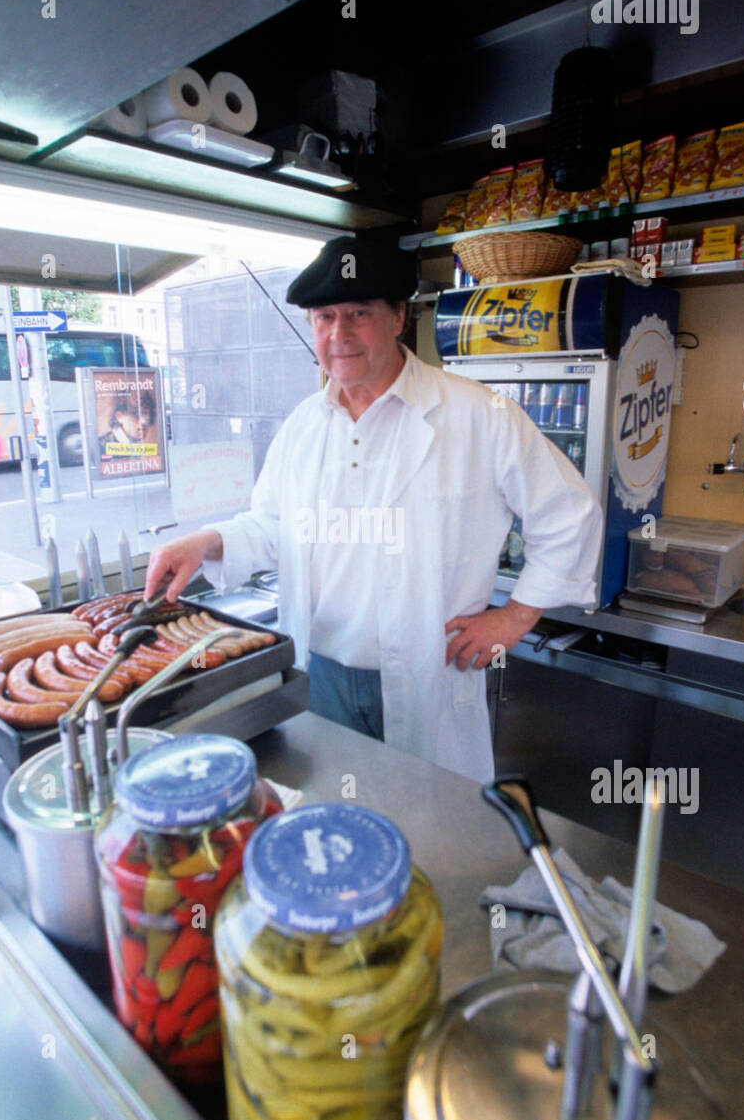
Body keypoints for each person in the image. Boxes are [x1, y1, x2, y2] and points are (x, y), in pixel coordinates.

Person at [144, 236, 602, 781]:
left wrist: (516, 616)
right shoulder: (303, 427)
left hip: (429, 673)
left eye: (358, 313)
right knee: (339, 817)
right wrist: (209, 541)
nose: (339, 334)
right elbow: (272, 526)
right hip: (321, 672)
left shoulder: (481, 415)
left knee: (430, 830)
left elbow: (570, 513)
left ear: (397, 317)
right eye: (325, 317)